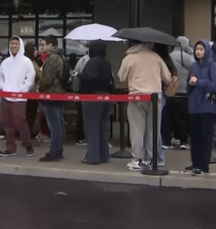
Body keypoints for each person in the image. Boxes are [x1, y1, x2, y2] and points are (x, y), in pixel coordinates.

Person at [118, 40, 171, 171]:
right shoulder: (156, 57)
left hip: (136, 96)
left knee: (137, 130)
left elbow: (121, 78)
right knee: (153, 129)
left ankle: (137, 159)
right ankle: (150, 159)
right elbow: (167, 77)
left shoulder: (129, 58)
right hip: (155, 97)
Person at [0, 36, 37, 157]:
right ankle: (10, 148)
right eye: (12, 44)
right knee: (7, 123)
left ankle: (27, 145)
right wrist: (2, 88)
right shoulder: (5, 62)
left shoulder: (26, 62)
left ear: (21, 46)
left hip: (20, 98)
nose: (13, 46)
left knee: (20, 122)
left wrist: (22, 90)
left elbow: (30, 78)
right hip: (6, 97)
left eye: (16, 44)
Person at [186, 40, 216, 176]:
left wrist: (198, 82)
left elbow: (215, 85)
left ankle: (203, 165)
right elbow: (189, 85)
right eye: (197, 49)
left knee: (205, 137)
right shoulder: (193, 65)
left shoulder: (212, 65)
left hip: (208, 106)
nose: (199, 52)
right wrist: (190, 84)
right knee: (195, 137)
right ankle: (195, 163)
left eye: (201, 49)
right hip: (194, 106)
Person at [79, 41, 114, 165]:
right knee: (103, 127)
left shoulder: (92, 62)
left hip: (92, 96)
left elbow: (89, 77)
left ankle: (92, 157)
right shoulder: (106, 63)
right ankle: (104, 155)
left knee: (91, 127)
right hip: (105, 96)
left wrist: (79, 75)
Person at [37, 35, 68, 162]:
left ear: (50, 45)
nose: (42, 46)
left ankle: (55, 151)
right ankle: (58, 150)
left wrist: (40, 86)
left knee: (54, 125)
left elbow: (47, 78)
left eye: (44, 44)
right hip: (59, 93)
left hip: (52, 93)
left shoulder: (53, 58)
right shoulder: (60, 56)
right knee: (59, 123)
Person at [166, 36, 194, 150]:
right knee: (184, 117)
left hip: (171, 90)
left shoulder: (170, 56)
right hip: (184, 90)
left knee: (172, 117)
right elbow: (195, 66)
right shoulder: (184, 56)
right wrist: (191, 52)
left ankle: (173, 138)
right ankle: (183, 140)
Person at [23, 42, 44, 140]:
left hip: (33, 92)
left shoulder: (35, 61)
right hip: (30, 92)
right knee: (29, 114)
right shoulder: (28, 62)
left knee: (32, 114)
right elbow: (35, 76)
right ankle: (27, 134)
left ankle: (29, 133)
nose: (37, 52)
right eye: (35, 50)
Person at [73, 51, 90, 146]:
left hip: (83, 91)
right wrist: (76, 91)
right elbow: (77, 75)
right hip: (83, 92)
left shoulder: (83, 60)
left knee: (83, 115)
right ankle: (80, 136)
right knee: (82, 115)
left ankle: (82, 136)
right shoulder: (83, 60)